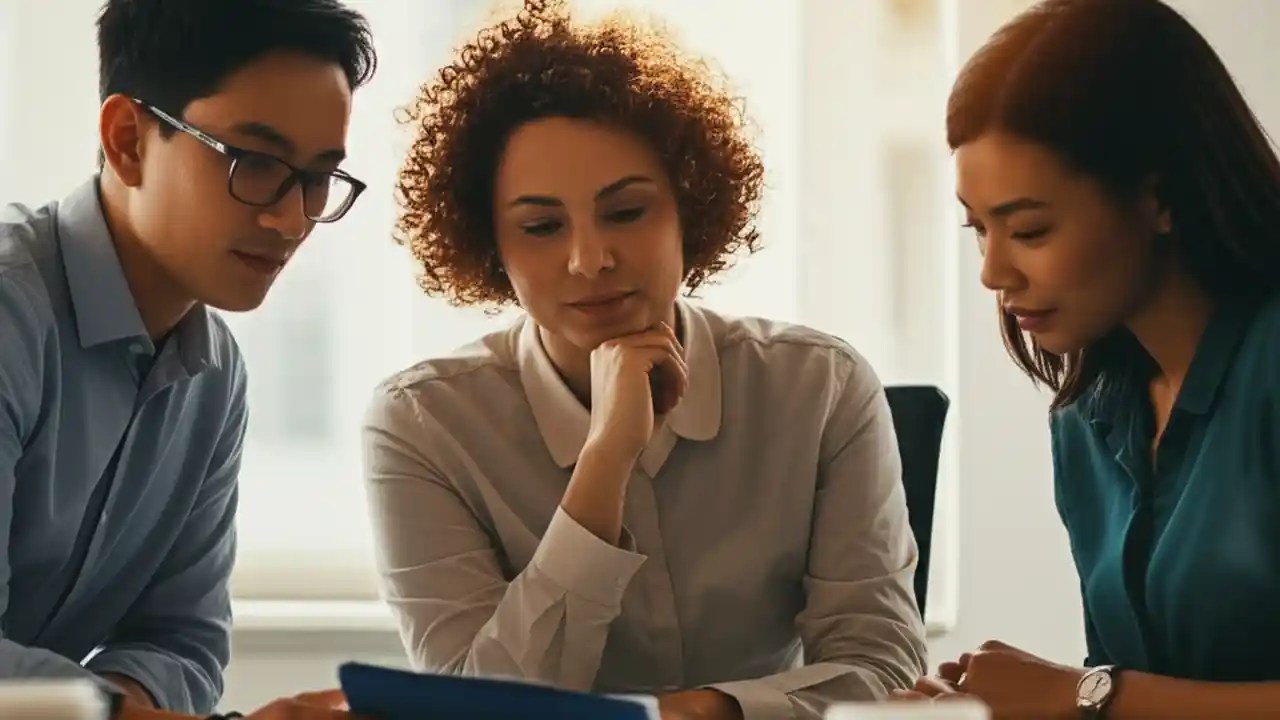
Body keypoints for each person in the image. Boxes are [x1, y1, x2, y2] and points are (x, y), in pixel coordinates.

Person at [361, 1, 927, 719]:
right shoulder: (422, 424)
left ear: (690, 208)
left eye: (626, 213)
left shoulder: (820, 387)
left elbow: (884, 669)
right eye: (541, 226)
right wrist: (605, 460)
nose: (590, 260)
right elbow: (475, 707)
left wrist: (708, 712)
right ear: (489, 245)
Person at [896, 0, 1280, 718]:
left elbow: (1107, 697)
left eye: (1029, 229)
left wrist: (1082, 694)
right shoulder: (1087, 421)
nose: (992, 272)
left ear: (1159, 198)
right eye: (978, 229)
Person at [0, 0, 376, 718]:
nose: (292, 219)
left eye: (318, 177)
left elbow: (182, 644)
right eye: (254, 163)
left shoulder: (215, 375)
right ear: (127, 140)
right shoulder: (11, 317)